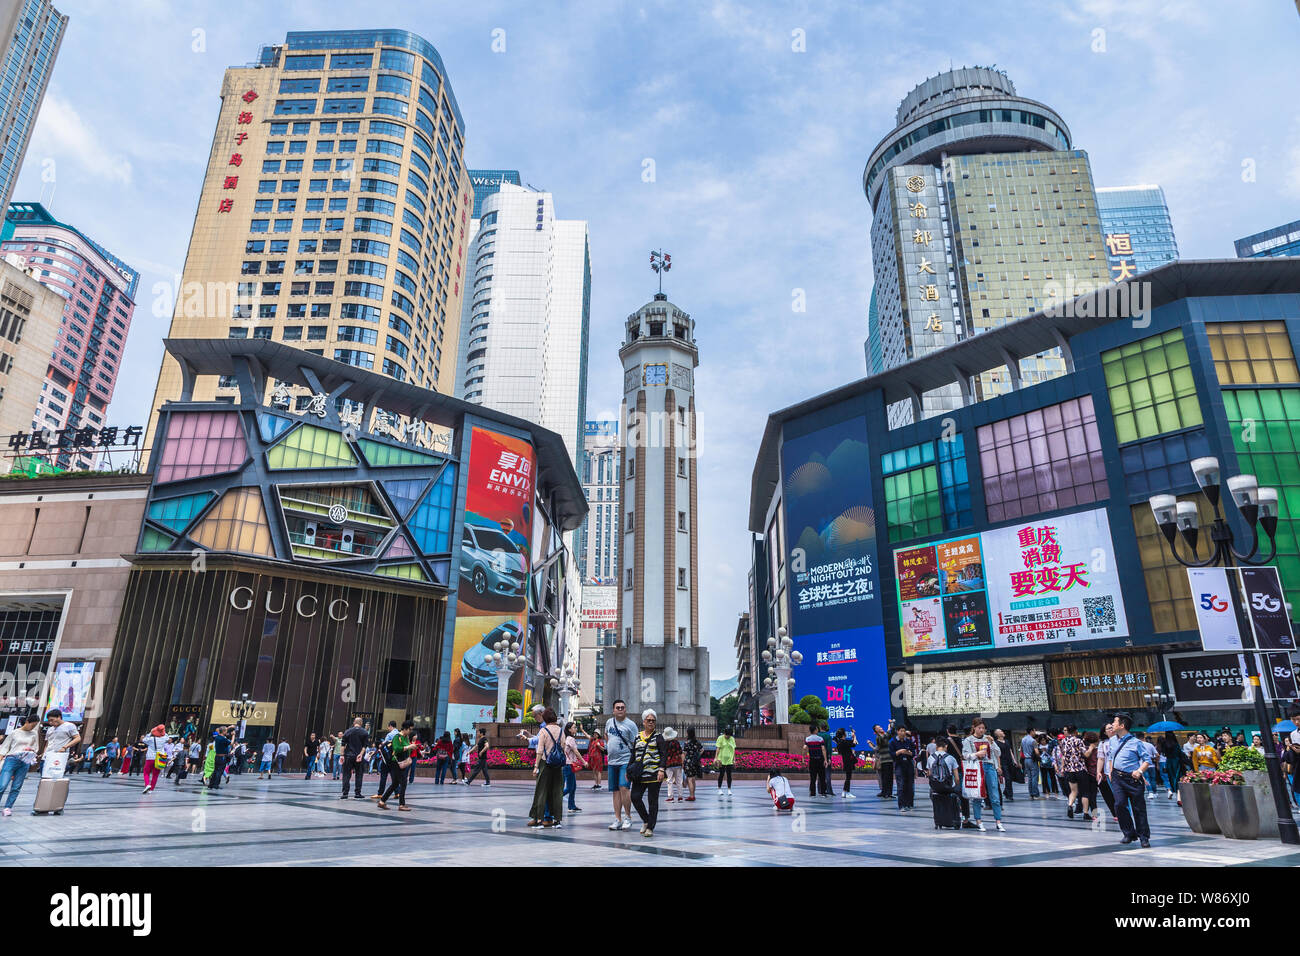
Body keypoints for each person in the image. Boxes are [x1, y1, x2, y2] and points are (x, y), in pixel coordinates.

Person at [1108, 713, 1151, 848]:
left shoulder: (1136, 742)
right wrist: (1111, 771)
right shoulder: (1112, 740)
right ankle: (1129, 833)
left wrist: (1139, 772)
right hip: (1117, 777)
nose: (1111, 725)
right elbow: (1111, 757)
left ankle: (1143, 837)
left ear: (1122, 725)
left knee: (1138, 808)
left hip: (1132, 779)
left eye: (1114, 722)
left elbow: (1147, 760)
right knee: (1119, 804)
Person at [962, 719, 1005, 831]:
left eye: (983, 728)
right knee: (977, 796)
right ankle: (979, 821)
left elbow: (998, 753)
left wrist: (992, 743)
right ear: (974, 728)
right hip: (977, 768)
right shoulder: (968, 740)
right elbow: (965, 755)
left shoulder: (988, 739)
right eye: (979, 728)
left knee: (995, 796)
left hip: (990, 767)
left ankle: (998, 822)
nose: (981, 730)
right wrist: (976, 754)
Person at [628, 710, 666, 837]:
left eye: (653, 721)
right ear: (644, 722)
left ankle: (650, 827)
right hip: (639, 774)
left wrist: (661, 769)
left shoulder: (659, 737)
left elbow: (664, 755)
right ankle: (646, 820)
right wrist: (628, 770)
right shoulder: (637, 737)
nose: (651, 722)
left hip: (654, 774)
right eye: (648, 720)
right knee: (635, 797)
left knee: (652, 801)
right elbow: (633, 754)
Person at [530, 709, 567, 828]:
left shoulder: (543, 731)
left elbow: (540, 750)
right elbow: (563, 747)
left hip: (545, 763)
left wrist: (536, 766)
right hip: (558, 765)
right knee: (557, 792)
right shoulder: (561, 731)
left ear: (545, 719)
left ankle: (540, 820)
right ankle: (557, 820)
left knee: (541, 791)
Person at [0, 714, 40, 817]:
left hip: (25, 761)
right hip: (11, 759)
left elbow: (36, 748)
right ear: (27, 722)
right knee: (2, 785)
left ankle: (8, 807)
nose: (33, 727)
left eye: (35, 725)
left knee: (16, 786)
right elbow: (4, 748)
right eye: (32, 725)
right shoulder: (14, 733)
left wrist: (31, 750)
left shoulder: (34, 733)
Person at [377, 720, 415, 811]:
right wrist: (409, 747)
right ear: (405, 728)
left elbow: (407, 749)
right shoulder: (397, 737)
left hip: (402, 762)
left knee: (395, 784)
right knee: (403, 782)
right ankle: (401, 805)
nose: (410, 731)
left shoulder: (406, 737)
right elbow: (397, 749)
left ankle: (382, 801)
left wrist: (411, 747)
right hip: (396, 763)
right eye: (410, 729)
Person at [1057, 725, 1086, 819]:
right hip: (1080, 768)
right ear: (1075, 731)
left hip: (1069, 770)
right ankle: (1086, 813)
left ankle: (1070, 805)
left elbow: (1063, 756)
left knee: (1073, 791)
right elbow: (1085, 753)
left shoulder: (1063, 741)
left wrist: (1062, 767)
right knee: (1085, 792)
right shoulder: (1078, 740)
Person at [561, 721, 589, 813]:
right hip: (569, 765)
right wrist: (584, 762)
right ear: (569, 729)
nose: (576, 729)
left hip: (568, 765)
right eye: (574, 727)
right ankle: (554, 799)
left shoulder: (567, 738)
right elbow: (576, 752)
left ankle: (571, 806)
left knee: (573, 787)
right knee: (569, 788)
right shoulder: (570, 739)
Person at [340, 717, 369, 799]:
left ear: (354, 722)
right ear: (361, 723)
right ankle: (357, 793)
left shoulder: (347, 731)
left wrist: (342, 755)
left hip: (348, 756)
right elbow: (365, 746)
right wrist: (360, 754)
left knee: (346, 775)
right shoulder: (364, 732)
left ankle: (345, 793)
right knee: (359, 774)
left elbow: (343, 745)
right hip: (358, 756)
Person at [369, 721, 399, 800]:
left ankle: (380, 793)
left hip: (387, 759)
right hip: (395, 758)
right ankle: (397, 792)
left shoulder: (390, 735)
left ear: (390, 726)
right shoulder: (399, 734)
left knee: (383, 775)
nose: (388, 729)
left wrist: (379, 745)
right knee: (394, 776)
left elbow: (384, 746)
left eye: (388, 727)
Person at [889, 726, 916, 811]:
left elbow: (913, 753)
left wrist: (908, 753)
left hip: (909, 765)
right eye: (901, 731)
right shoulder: (893, 742)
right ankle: (902, 805)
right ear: (897, 732)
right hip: (899, 765)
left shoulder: (909, 741)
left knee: (910, 786)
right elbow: (892, 754)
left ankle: (909, 804)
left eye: (904, 731)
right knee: (901, 786)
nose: (903, 733)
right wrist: (900, 751)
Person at [142, 724, 168, 794]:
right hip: (159, 758)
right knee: (155, 775)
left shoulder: (151, 739)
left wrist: (151, 732)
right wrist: (162, 731)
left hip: (150, 758)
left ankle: (147, 784)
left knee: (146, 772)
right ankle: (151, 789)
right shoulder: (164, 739)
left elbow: (144, 739)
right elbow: (167, 736)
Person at [804, 724, 829, 798]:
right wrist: (825, 760)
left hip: (812, 760)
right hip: (820, 759)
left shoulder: (807, 739)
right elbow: (823, 749)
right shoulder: (820, 739)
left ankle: (812, 793)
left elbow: (804, 748)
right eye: (817, 729)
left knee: (813, 777)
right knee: (822, 777)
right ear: (815, 730)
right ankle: (823, 793)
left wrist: (803, 757)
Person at [662, 727, 684, 803]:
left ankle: (670, 797)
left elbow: (663, 754)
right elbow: (681, 753)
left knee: (669, 781)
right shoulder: (677, 742)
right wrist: (682, 763)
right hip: (677, 763)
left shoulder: (664, 744)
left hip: (669, 764)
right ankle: (680, 797)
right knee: (679, 781)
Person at [835, 727, 859, 799]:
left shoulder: (839, 742)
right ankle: (847, 792)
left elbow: (853, 742)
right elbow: (854, 744)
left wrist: (853, 737)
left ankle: (844, 792)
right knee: (848, 777)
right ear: (843, 734)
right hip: (849, 760)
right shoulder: (844, 742)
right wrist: (854, 736)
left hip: (845, 760)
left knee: (848, 777)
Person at [873, 722, 894, 798]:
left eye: (880, 726)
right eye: (878, 727)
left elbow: (892, 734)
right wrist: (888, 729)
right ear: (875, 731)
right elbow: (883, 738)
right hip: (884, 760)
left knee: (890, 777)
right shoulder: (878, 737)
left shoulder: (885, 736)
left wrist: (892, 726)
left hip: (890, 759)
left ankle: (890, 793)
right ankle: (885, 792)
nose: (880, 727)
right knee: (885, 777)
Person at [714, 726, 737, 796]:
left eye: (729, 736)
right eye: (727, 735)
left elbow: (733, 749)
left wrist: (734, 760)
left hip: (729, 760)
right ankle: (719, 789)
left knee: (729, 775)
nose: (728, 737)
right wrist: (716, 758)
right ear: (724, 733)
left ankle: (729, 789)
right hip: (721, 760)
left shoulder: (732, 739)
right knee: (721, 774)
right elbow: (718, 748)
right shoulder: (720, 738)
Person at [683, 726, 703, 801]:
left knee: (689, 779)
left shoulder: (687, 743)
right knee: (693, 779)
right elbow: (702, 750)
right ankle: (693, 795)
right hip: (695, 762)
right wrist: (697, 756)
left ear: (688, 733)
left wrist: (683, 763)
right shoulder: (697, 742)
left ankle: (691, 796)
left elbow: (684, 753)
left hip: (688, 762)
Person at [1020, 726, 1040, 799]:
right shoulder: (1033, 741)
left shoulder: (1023, 739)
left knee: (1030, 777)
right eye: (1034, 731)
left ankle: (1031, 794)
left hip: (1026, 760)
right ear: (1031, 731)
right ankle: (1035, 794)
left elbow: (1021, 750)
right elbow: (1037, 752)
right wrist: (1039, 756)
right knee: (1034, 777)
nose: (1035, 732)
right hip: (1032, 760)